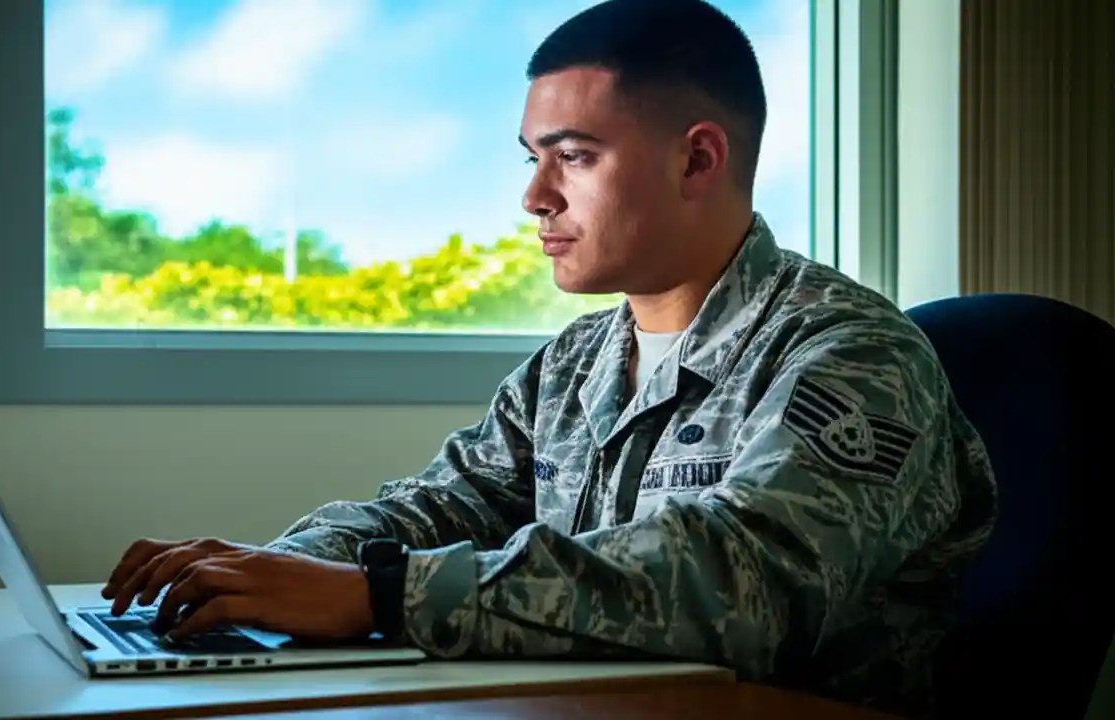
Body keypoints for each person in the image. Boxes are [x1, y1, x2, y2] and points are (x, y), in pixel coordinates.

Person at [101, 0, 997, 714]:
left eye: (572, 157)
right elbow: (443, 505)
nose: (533, 196)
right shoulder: (573, 363)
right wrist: (263, 581)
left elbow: (744, 587)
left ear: (697, 159)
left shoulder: (853, 354)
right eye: (533, 158)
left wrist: (375, 597)